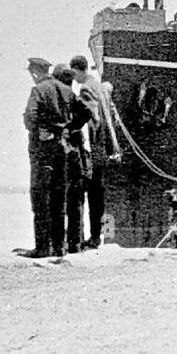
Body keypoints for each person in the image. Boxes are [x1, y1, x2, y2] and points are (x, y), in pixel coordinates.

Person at [19, 58, 73, 258]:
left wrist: (42, 129)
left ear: (34, 72)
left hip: (42, 151)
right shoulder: (66, 89)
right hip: (62, 148)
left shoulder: (38, 90)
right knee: (59, 199)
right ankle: (59, 247)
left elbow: (32, 116)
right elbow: (82, 112)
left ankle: (42, 247)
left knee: (41, 198)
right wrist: (65, 129)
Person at [69, 55, 122, 250]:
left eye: (74, 73)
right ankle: (96, 236)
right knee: (97, 194)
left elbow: (93, 118)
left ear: (77, 70)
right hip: (104, 149)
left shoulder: (86, 88)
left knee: (86, 193)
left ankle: (89, 237)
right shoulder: (99, 86)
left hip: (93, 150)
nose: (73, 78)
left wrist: (73, 129)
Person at [52, 64, 93, 254]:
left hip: (65, 152)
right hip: (77, 151)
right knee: (76, 200)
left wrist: (66, 128)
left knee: (61, 198)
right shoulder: (73, 96)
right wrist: (74, 127)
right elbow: (87, 113)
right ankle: (75, 242)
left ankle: (60, 243)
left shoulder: (59, 96)